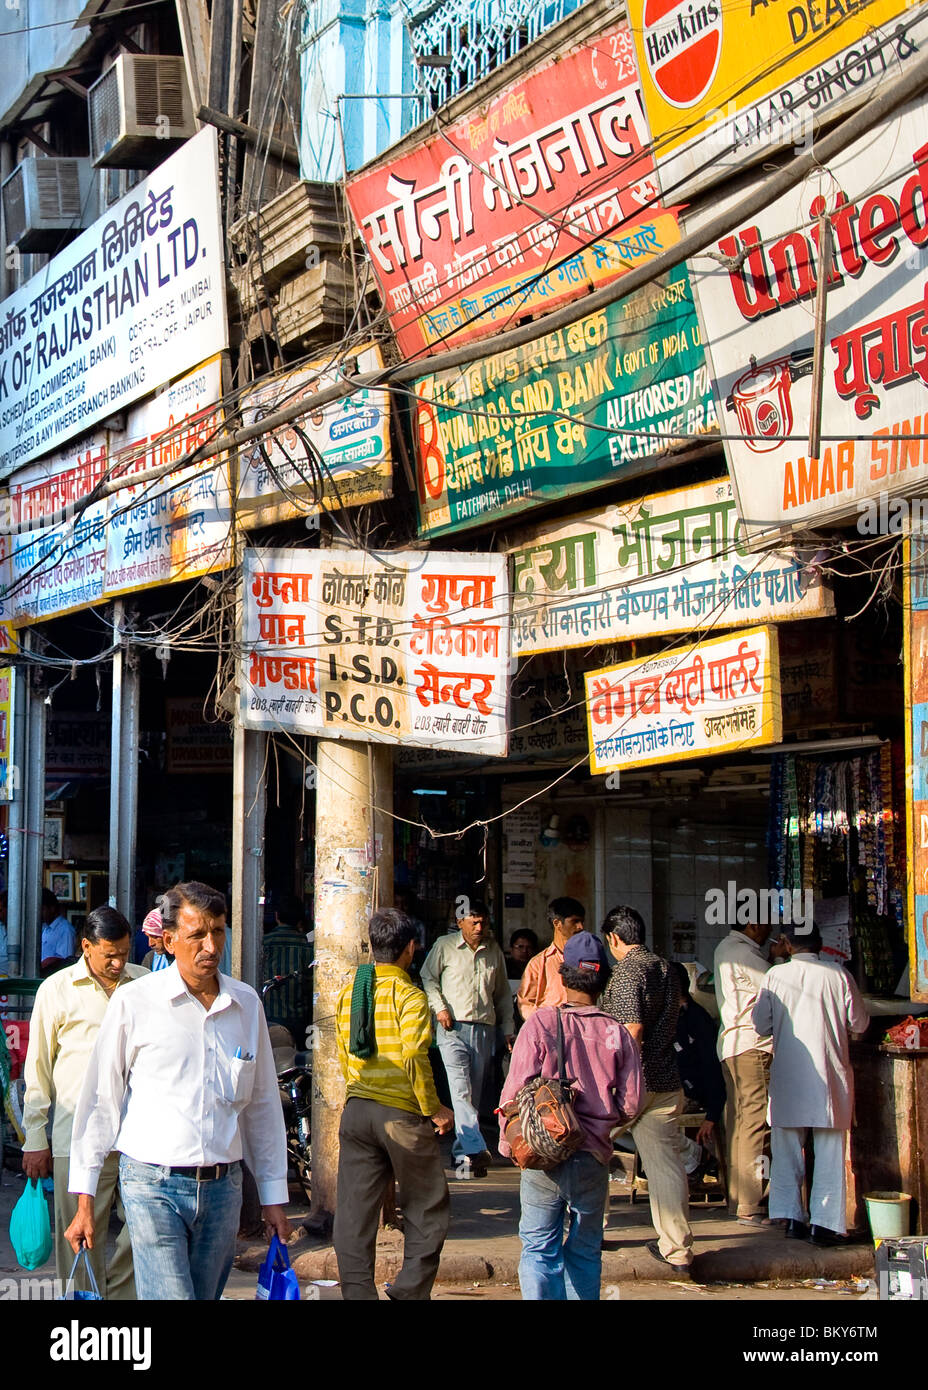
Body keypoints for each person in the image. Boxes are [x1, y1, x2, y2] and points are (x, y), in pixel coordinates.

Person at [64, 880, 290, 1300]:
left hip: (224, 1191)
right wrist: (85, 1196)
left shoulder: (246, 1005)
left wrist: (274, 1197)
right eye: (197, 935)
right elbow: (101, 1101)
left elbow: (261, 1108)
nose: (210, 946)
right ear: (168, 941)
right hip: (152, 1185)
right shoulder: (135, 1002)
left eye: (218, 931)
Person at [500, 932, 641, 1300]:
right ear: (603, 980)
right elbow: (630, 1105)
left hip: (542, 1156)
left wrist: (508, 1142)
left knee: (538, 1248)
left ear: (562, 975)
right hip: (593, 1155)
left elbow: (514, 1094)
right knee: (584, 1251)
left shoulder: (541, 1024)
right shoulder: (617, 1034)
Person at [21, 905, 148, 1298]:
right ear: (86, 946)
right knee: (78, 1234)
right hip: (73, 1136)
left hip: (137, 1136)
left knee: (146, 1230)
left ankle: (117, 1294)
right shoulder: (56, 990)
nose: (117, 962)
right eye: (109, 953)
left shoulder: (143, 984)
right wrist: (35, 1138)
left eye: (124, 953)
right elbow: (37, 1069)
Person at [333, 908, 454, 1300]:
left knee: (354, 1213)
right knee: (426, 1206)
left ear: (372, 947)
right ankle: (409, 1290)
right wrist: (434, 1108)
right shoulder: (410, 996)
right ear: (411, 949)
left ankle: (358, 1293)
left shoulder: (351, 991)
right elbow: (415, 1057)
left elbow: (342, 1050)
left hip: (357, 1110)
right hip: (401, 1114)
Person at [752, 925, 869, 1245]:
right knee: (830, 1152)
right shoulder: (839, 975)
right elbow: (860, 1022)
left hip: (789, 1077)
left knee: (786, 1150)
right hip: (829, 1079)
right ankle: (825, 1224)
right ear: (820, 944)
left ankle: (791, 1218)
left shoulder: (776, 976)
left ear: (788, 945)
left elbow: (760, 1025)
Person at [602, 905, 695, 1275]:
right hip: (665, 1080)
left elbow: (632, 1031)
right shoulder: (665, 968)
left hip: (631, 1085)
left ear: (613, 938)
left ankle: (591, 1232)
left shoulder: (627, 972)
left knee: (591, 1149)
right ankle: (678, 1251)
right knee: (665, 1167)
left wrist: (615, 1080)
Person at [420, 897, 514, 1177]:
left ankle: (463, 1156)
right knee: (460, 1091)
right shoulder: (444, 946)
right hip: (452, 1029)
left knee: (471, 1094)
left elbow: (502, 994)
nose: (478, 926)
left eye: (482, 921)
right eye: (473, 921)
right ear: (460, 922)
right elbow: (428, 978)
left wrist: (508, 1027)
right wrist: (439, 1008)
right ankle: (475, 1148)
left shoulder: (493, 950)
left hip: (484, 1029)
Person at [713, 918, 780, 1225]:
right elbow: (778, 988)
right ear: (753, 924)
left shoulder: (726, 948)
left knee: (740, 1123)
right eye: (767, 925)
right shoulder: (745, 953)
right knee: (756, 1123)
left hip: (732, 1046)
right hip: (752, 1045)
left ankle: (739, 1200)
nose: (770, 932)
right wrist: (779, 958)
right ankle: (753, 1204)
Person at [670, 962, 726, 1187]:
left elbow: (712, 1070)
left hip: (692, 1094)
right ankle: (692, 1158)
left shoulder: (697, 1019)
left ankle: (694, 1158)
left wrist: (712, 1115)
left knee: (648, 1119)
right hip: (670, 1089)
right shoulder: (667, 1016)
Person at [517, 897, 586, 1021]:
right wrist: (542, 1027)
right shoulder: (538, 963)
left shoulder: (588, 959)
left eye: (582, 921)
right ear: (557, 923)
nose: (580, 926)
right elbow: (525, 1004)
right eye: (575, 921)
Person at [262, 893, 313, 1043]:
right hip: (298, 1018)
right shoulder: (306, 946)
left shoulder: (264, 942)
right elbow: (310, 984)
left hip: (270, 1014)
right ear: (299, 918)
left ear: (277, 916)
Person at [40, 889, 76, 977]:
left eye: (42, 909)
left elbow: (66, 963)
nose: (39, 913)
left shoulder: (65, 930)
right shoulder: (45, 928)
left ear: (52, 909)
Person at [140, 907, 172, 972]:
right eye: (148, 937)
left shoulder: (186, 960)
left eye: (155, 937)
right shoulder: (150, 959)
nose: (150, 944)